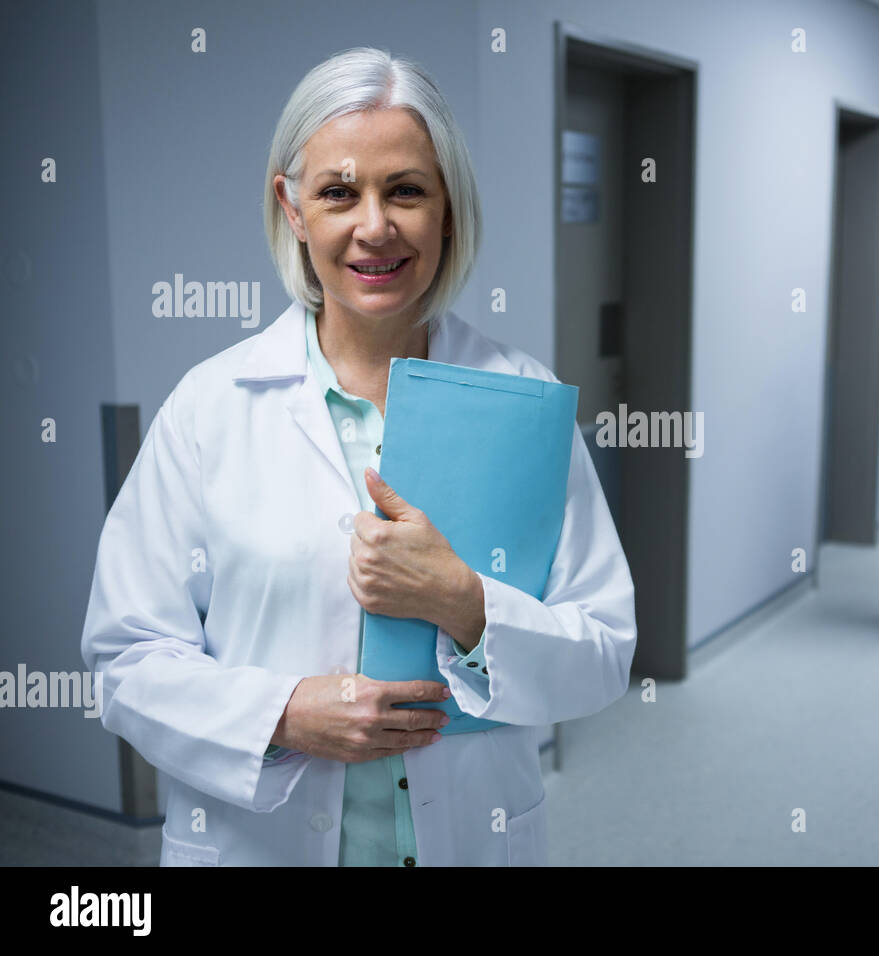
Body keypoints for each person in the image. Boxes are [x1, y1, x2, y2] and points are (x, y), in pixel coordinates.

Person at [80, 47, 636, 866]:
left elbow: (603, 652)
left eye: (406, 190)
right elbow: (125, 658)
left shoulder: (521, 398)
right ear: (293, 208)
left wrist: (466, 602)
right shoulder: (211, 406)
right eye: (339, 192)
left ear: (448, 208)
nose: (374, 226)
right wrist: (283, 714)